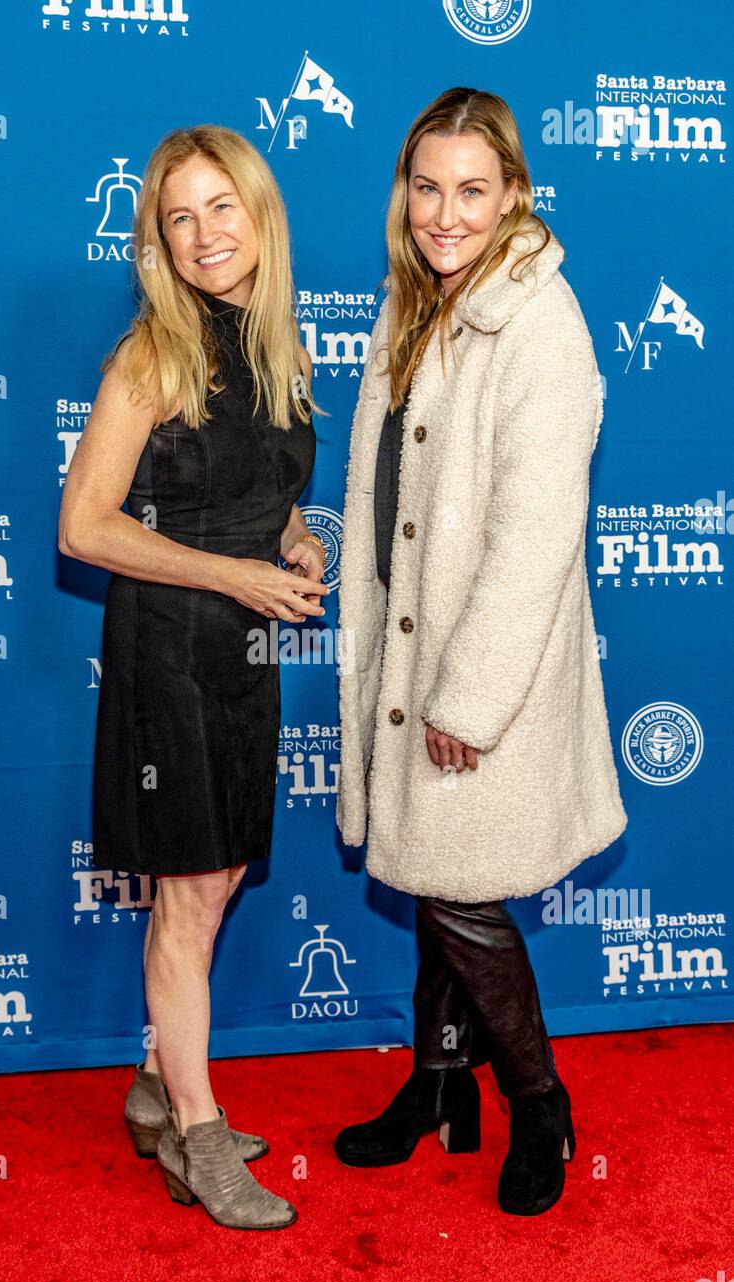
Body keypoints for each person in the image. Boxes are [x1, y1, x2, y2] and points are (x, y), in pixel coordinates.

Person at [334, 88, 628, 1217]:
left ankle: (537, 1100)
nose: (442, 214)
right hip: (412, 656)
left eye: (470, 190)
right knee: (426, 876)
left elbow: (534, 534)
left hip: (472, 675)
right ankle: (436, 1086)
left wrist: (470, 694)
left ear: (513, 194)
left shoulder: (538, 324)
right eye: (424, 187)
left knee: (458, 893)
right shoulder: (418, 307)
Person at [58, 125, 329, 1231]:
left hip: (243, 654)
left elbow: (267, 491)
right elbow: (80, 525)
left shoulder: (278, 349)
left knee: (212, 884)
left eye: (222, 207)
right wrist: (233, 571)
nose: (204, 234)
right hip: (168, 651)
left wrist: (296, 535)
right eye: (180, 216)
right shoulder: (149, 356)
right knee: (184, 897)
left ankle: (154, 1082)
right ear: (156, 242)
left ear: (259, 216)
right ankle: (199, 1137)